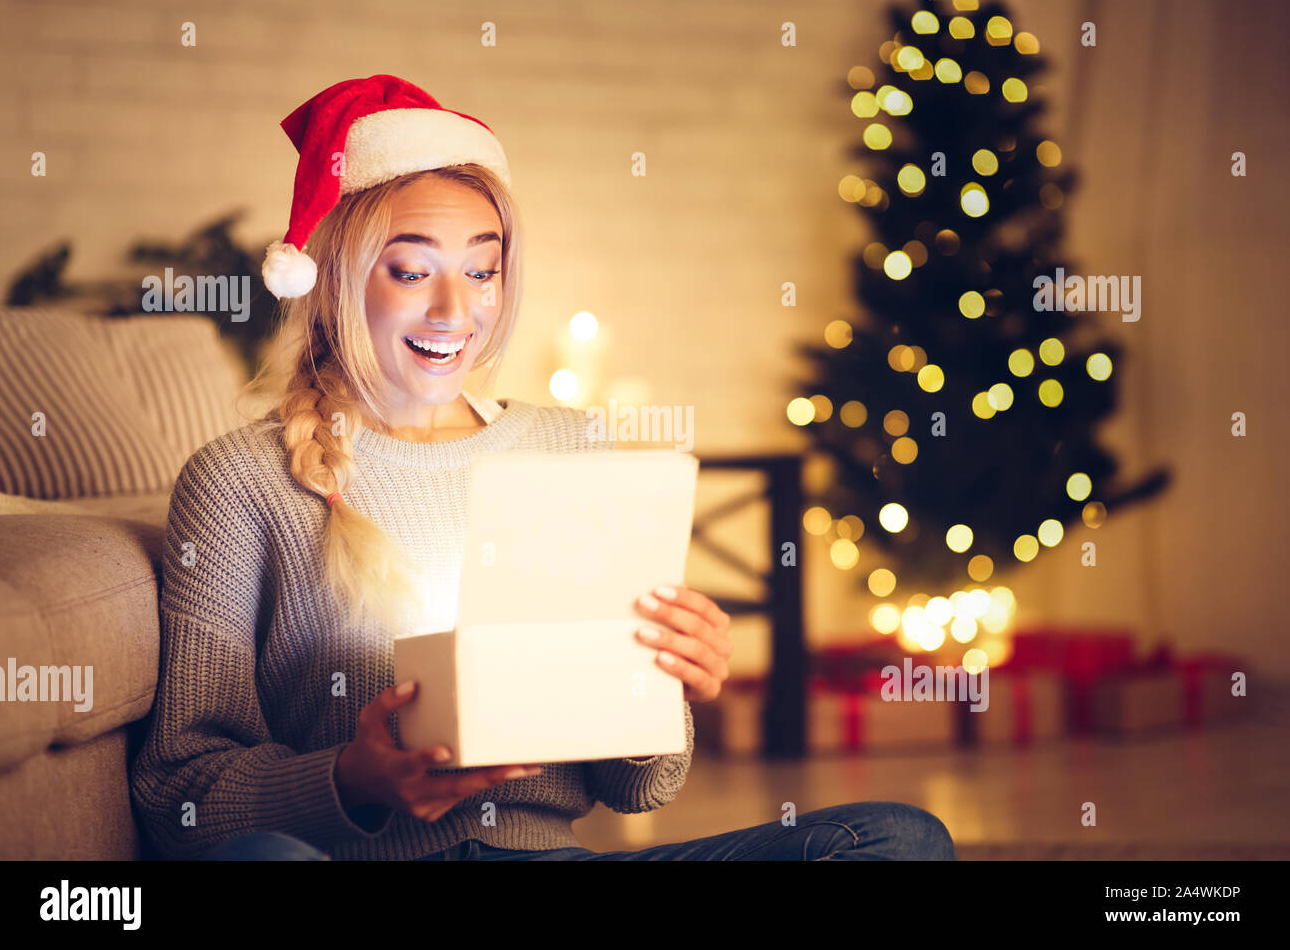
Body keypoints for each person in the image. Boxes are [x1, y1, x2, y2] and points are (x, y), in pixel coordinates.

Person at [130, 74, 956, 862]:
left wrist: (661, 684)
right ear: (339, 278)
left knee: (900, 839)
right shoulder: (240, 480)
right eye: (413, 271)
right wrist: (352, 777)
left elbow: (637, 789)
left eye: (481, 271)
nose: (456, 311)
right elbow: (180, 798)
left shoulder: (570, 451)